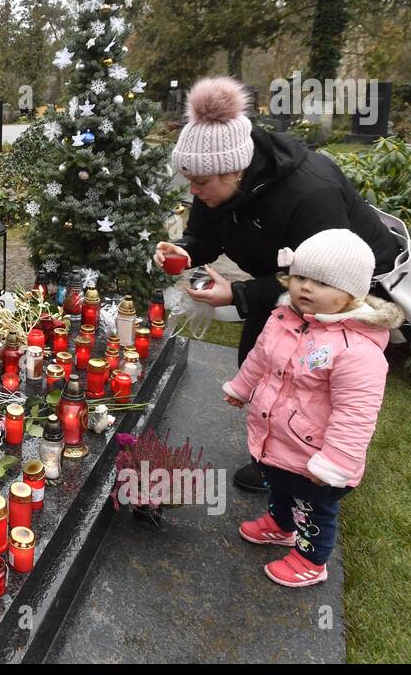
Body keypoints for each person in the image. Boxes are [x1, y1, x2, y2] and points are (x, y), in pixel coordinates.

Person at [153, 75, 397, 492]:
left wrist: (241, 294)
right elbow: (205, 234)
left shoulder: (308, 192)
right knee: (261, 356)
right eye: (189, 180)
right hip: (290, 280)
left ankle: (317, 469)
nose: (193, 191)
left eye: (201, 183)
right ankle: (274, 457)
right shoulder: (218, 181)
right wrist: (185, 251)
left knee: (311, 380)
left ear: (235, 170)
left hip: (343, 291)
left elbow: (317, 284)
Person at [221, 230, 403, 586]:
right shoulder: (284, 319)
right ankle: (281, 525)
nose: (305, 287)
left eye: (321, 282)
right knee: (279, 486)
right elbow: (261, 357)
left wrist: (335, 463)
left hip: (316, 455)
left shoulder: (357, 349)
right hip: (278, 441)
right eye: (300, 276)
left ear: (351, 293)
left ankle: (311, 559)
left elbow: (356, 414)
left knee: (313, 508)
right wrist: (242, 387)